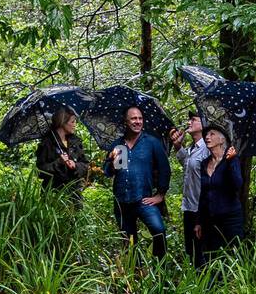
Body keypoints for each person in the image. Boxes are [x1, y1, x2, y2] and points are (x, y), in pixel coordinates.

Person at [104, 105, 170, 258]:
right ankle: (136, 276)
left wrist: (160, 194)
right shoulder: (118, 144)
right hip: (122, 201)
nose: (138, 121)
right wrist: (112, 161)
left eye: (140, 118)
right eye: (134, 118)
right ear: (125, 122)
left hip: (143, 199)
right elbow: (109, 172)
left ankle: (160, 270)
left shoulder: (151, 142)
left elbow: (164, 169)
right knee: (129, 242)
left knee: (159, 230)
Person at [196, 122, 243, 263]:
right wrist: (198, 221)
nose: (207, 137)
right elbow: (202, 194)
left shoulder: (231, 159)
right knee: (211, 260)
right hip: (209, 221)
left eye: (212, 134)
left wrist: (230, 162)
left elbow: (237, 184)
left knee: (232, 259)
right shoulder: (204, 164)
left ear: (222, 139)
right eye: (206, 135)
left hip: (230, 219)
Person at [169, 112, 209, 262]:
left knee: (201, 253)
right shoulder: (193, 148)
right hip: (189, 207)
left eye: (193, 120)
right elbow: (189, 166)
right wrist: (178, 146)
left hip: (201, 209)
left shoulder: (207, 148)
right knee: (191, 251)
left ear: (204, 124)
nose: (189, 122)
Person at [35, 106, 91, 205]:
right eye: (72, 122)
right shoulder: (47, 143)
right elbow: (41, 170)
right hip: (53, 195)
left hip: (74, 195)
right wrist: (59, 162)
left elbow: (85, 165)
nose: (75, 125)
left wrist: (75, 165)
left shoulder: (75, 142)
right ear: (62, 122)